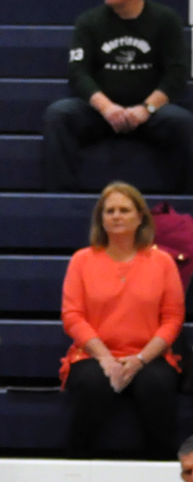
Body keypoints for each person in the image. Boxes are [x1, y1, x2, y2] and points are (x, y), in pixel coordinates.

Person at [42, 0, 193, 193]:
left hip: (149, 113)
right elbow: (77, 73)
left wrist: (146, 109)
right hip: (101, 112)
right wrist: (107, 109)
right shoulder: (89, 21)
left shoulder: (165, 20)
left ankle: (181, 205)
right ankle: (61, 200)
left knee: (183, 123)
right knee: (59, 115)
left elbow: (177, 73)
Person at [60, 181, 184, 459]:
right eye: (109, 211)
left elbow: (173, 318)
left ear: (140, 217)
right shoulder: (82, 260)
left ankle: (160, 474)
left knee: (156, 385)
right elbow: (72, 316)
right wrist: (105, 359)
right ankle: (78, 468)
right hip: (93, 356)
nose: (116, 216)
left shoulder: (162, 262)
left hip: (149, 356)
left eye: (124, 210)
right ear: (100, 219)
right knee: (93, 384)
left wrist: (140, 359)